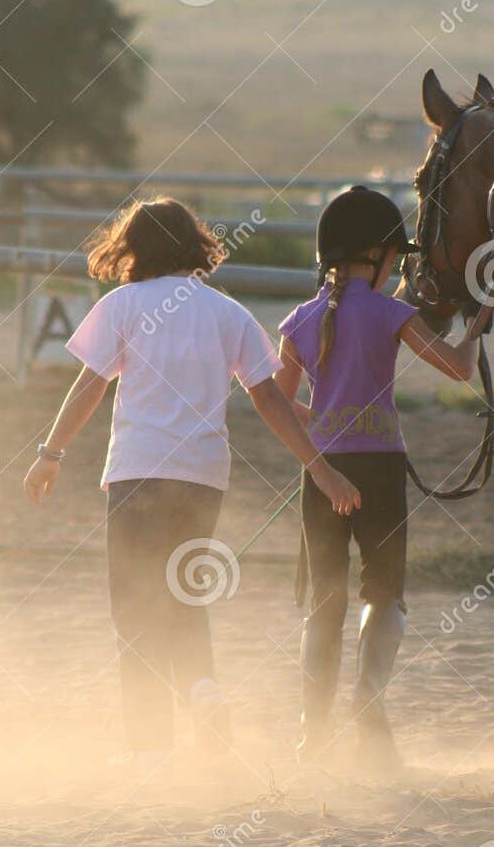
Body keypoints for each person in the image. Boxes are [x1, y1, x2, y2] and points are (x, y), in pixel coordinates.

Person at [23, 197, 359, 772]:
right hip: (203, 478)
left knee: (135, 607)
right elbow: (269, 399)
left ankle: (150, 746)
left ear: (136, 248)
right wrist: (320, 467)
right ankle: (203, 692)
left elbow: (88, 388)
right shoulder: (227, 313)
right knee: (184, 595)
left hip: (138, 473)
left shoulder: (124, 305)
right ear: (191, 245)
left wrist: (51, 453)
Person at [276, 185, 486, 770]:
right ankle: (369, 698)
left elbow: (278, 399)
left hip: (322, 473)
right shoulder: (393, 313)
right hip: (382, 468)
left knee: (324, 598)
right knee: (386, 592)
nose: (398, 266)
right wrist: (480, 321)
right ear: (376, 255)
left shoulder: (300, 320)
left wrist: (324, 423)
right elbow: (460, 369)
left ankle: (310, 732)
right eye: (395, 256)